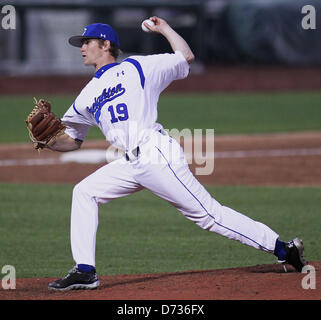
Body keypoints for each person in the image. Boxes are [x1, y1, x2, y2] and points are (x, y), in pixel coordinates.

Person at [48, 17, 306, 291]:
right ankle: (85, 270)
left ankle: (283, 249)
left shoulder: (137, 66)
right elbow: (71, 140)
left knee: (208, 215)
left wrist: (164, 29)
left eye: (86, 42)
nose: (81, 48)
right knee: (84, 192)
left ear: (106, 44)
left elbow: (185, 56)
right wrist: (47, 140)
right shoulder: (86, 95)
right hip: (128, 161)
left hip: (155, 152)